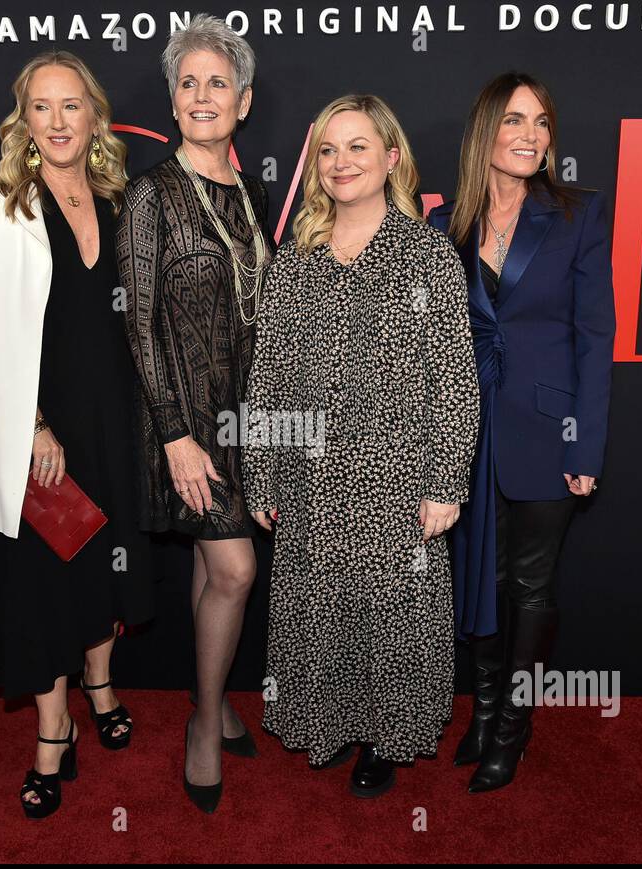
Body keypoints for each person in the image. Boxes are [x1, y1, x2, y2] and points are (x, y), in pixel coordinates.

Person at [242, 94, 480, 799]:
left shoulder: (428, 255)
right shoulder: (294, 260)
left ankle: (387, 734)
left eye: (358, 147)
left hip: (398, 476)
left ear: (391, 158)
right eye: (328, 150)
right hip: (311, 478)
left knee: (391, 611)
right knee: (321, 606)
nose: (342, 162)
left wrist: (445, 480)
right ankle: (328, 723)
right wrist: (262, 475)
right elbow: (270, 375)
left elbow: (456, 382)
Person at [0, 51, 154, 819]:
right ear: (24, 121)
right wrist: (30, 424)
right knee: (43, 585)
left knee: (105, 564)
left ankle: (101, 685)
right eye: (44, 106)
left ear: (95, 117)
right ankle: (51, 732)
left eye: (74, 106)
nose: (60, 120)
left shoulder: (121, 197)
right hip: (41, 427)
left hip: (114, 417)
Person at [428, 72, 615, 793]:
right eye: (515, 120)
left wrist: (585, 444)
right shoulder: (451, 224)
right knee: (479, 578)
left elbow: (596, 336)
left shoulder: (578, 214)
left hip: (549, 427)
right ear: (486, 132)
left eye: (541, 123)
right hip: (469, 431)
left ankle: (513, 726)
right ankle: (478, 714)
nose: (532, 135)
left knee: (531, 587)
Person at [115, 14, 272, 813]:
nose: (203, 96)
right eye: (188, 83)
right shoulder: (150, 196)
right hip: (182, 418)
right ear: (172, 101)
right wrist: (175, 433)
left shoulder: (254, 194)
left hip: (249, 420)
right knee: (237, 569)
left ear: (242, 102)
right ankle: (205, 721)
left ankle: (214, 699)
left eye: (218, 83)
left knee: (217, 568)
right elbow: (136, 322)